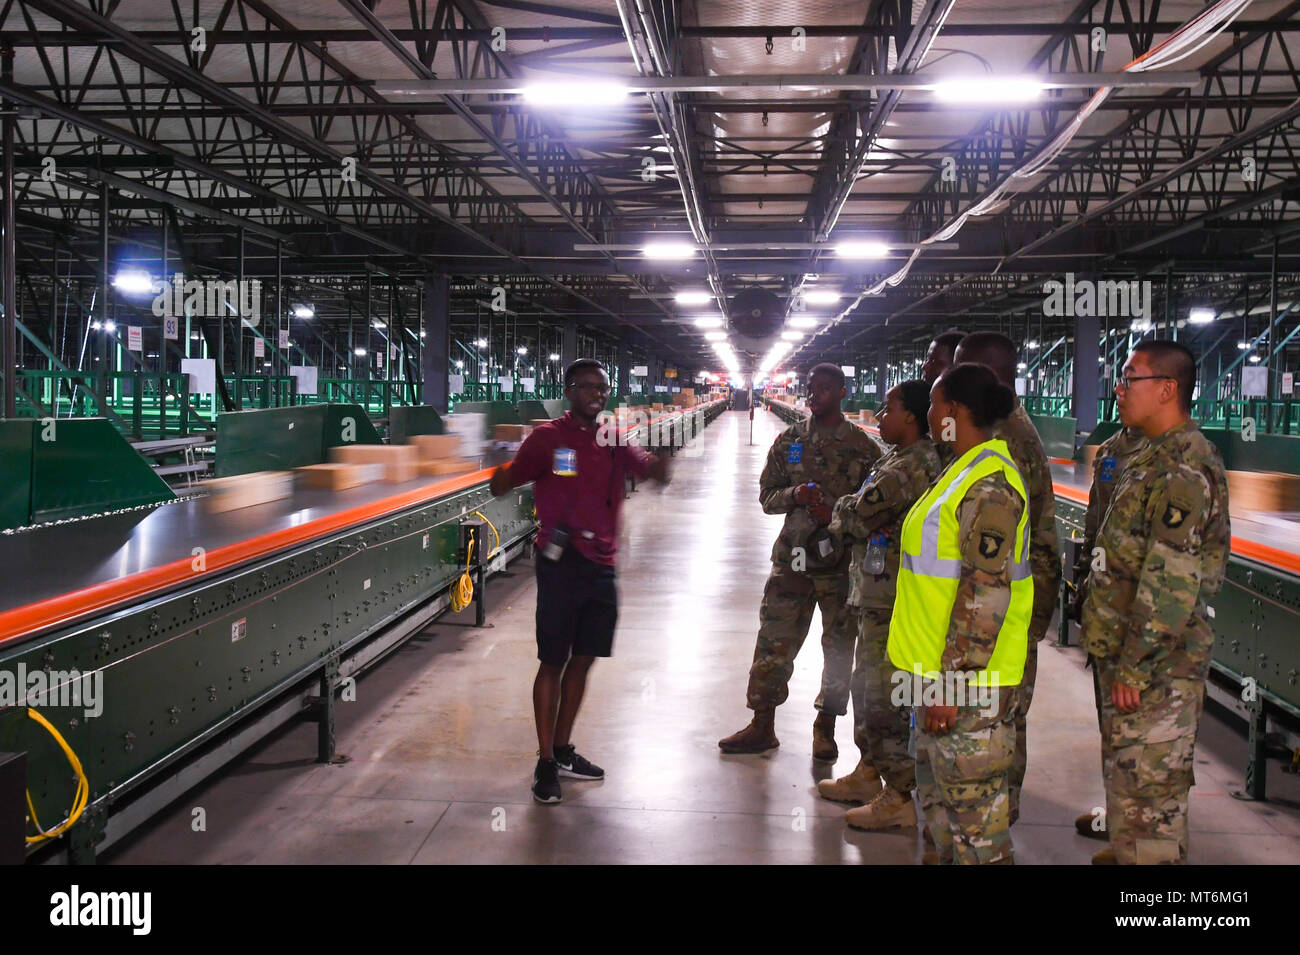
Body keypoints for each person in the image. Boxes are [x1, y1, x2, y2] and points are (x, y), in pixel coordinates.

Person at [490, 358, 670, 805]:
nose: (597, 393)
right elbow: (507, 483)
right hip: (562, 562)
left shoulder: (610, 434)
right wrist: (499, 469)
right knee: (553, 661)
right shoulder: (548, 437)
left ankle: (565, 749)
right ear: (569, 390)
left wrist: (659, 466)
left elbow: (644, 466)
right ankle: (545, 761)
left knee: (585, 658)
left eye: (602, 387)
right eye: (588, 387)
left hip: (602, 564)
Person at [1080, 340, 1229, 865]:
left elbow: (1170, 582)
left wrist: (1136, 668)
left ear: (1167, 388)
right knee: (1132, 775)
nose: (1119, 389)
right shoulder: (1146, 454)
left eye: (1131, 378)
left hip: (1156, 665)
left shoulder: (1185, 468)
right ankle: (1130, 845)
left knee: (1150, 787)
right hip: (1124, 649)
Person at [888, 363, 1031, 865]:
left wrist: (950, 684)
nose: (928, 414)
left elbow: (984, 596)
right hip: (934, 678)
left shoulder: (989, 485)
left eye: (933, 403)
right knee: (946, 825)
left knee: (977, 837)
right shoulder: (959, 470)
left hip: (966, 690)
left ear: (952, 411)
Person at [719, 363, 881, 760]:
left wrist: (840, 514)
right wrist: (796, 495)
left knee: (840, 649)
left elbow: (879, 508)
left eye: (825, 388)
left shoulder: (864, 449)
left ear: (843, 392)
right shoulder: (789, 440)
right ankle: (762, 724)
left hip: (841, 566)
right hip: (792, 560)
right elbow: (767, 497)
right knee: (774, 641)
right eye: (812, 388)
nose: (815, 395)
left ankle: (825, 726)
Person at [821, 380, 942, 831]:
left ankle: (898, 794)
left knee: (882, 696)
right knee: (866, 686)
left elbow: (854, 516)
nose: (880, 413)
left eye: (888, 407)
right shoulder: (894, 458)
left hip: (891, 599)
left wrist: (840, 509)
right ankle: (871, 773)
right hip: (875, 592)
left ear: (911, 416)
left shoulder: (909, 466)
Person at [952, 332, 1060, 825]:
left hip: (1003, 606)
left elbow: (995, 550)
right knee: (998, 712)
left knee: (998, 713)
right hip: (1005, 603)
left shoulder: (1007, 441)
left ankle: (996, 816)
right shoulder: (998, 430)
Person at [1070, 424, 1147, 841]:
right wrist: (1085, 580)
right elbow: (1095, 521)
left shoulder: (1173, 458)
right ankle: (1121, 815)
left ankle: (1141, 830)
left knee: (1148, 736)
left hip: (1144, 618)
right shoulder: (1112, 450)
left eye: (1132, 380)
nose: (1120, 389)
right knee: (1113, 723)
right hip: (1108, 606)